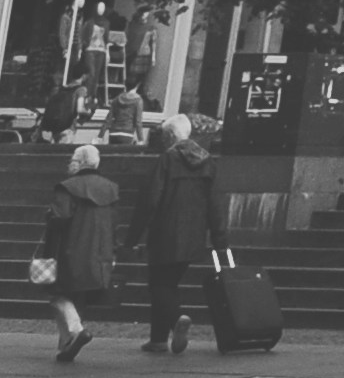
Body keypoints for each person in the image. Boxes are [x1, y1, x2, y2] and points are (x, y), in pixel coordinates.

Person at [131, 112, 220, 354]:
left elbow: (150, 200)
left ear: (170, 135)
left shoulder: (167, 159)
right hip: (193, 236)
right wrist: (221, 240)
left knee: (158, 283)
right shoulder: (208, 161)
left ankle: (175, 319)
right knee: (169, 282)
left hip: (165, 233)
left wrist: (132, 237)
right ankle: (158, 339)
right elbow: (213, 203)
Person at [38, 140, 124, 362]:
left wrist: (49, 214)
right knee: (80, 298)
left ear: (80, 163)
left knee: (57, 294)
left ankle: (75, 332)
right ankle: (66, 346)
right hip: (100, 252)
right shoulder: (111, 189)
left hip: (70, 249)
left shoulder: (67, 187)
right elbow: (114, 223)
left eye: (72, 160)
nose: (69, 164)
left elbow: (60, 218)